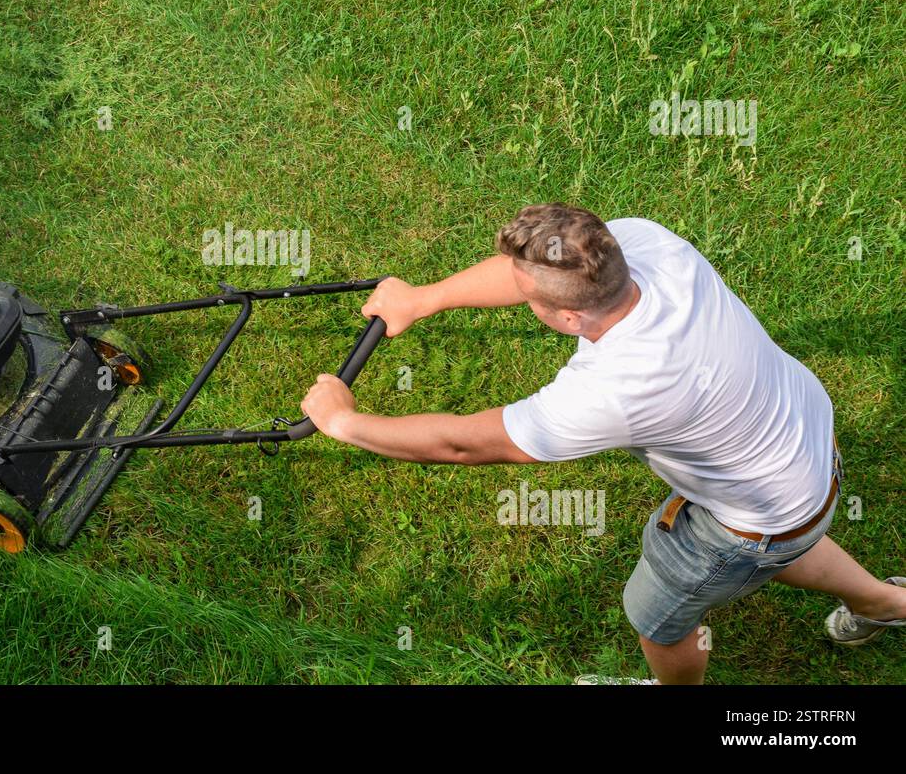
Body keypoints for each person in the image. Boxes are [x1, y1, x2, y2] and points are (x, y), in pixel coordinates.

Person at [298, 203, 906, 683]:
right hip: (804, 443)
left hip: (754, 517)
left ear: (566, 319)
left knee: (658, 621)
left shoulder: (615, 389)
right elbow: (537, 275)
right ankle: (888, 603)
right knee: (779, 541)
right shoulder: (644, 245)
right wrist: (423, 298)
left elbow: (466, 443)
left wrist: (345, 423)